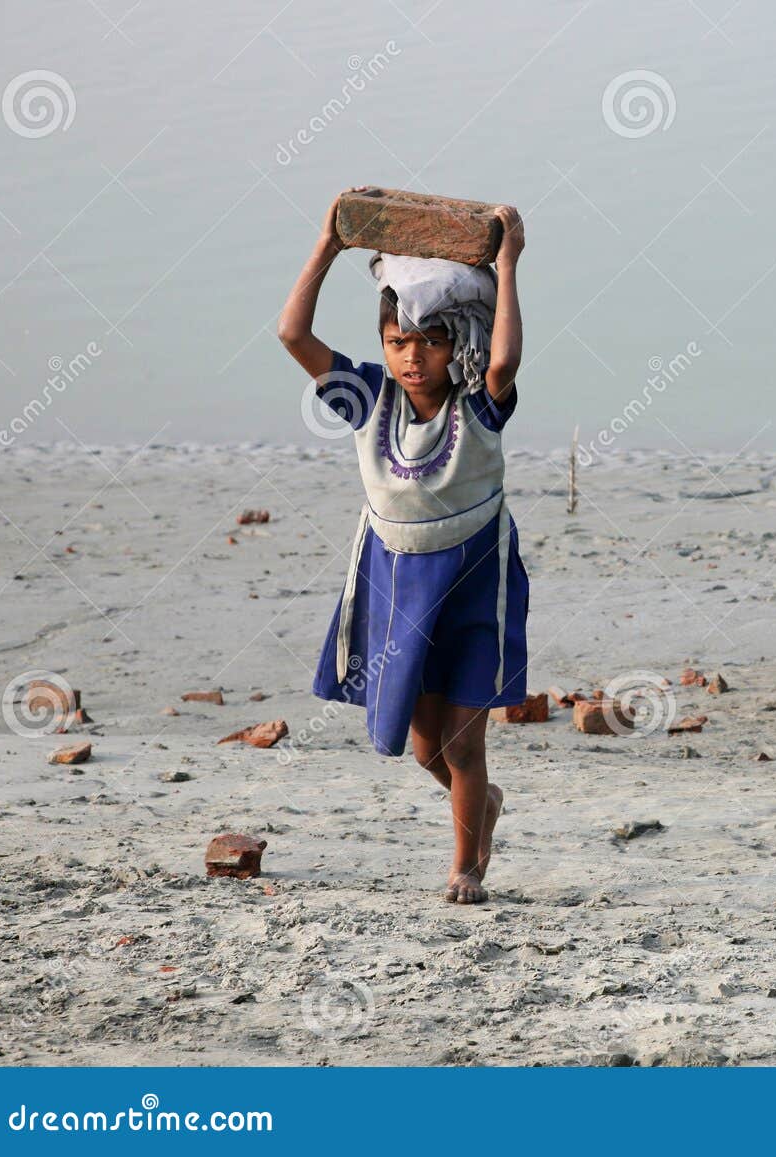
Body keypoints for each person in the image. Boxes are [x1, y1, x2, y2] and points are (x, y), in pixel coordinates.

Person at [277, 188, 528, 903]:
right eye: (398, 343)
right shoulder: (366, 399)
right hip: (396, 583)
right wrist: (328, 247)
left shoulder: (477, 403)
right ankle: (483, 805)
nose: (411, 357)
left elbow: (505, 357)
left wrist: (507, 265)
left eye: (429, 341)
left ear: (458, 345)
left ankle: (467, 866)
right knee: (424, 749)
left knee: (463, 743)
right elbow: (293, 334)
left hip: (474, 579)